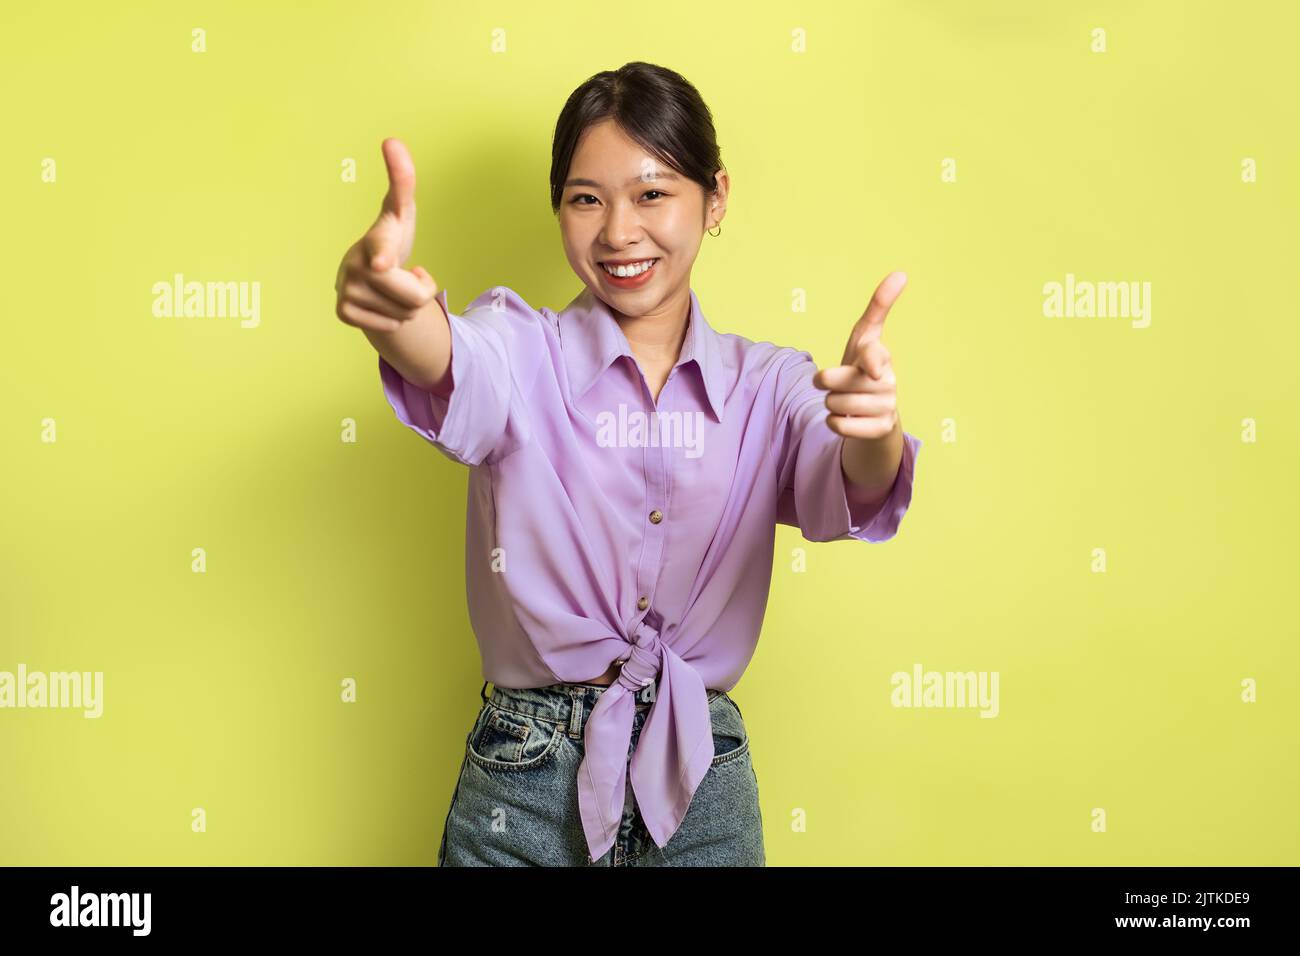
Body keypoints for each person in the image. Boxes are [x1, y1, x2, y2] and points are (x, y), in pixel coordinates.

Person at [333, 61, 922, 866]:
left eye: (652, 194)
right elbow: (449, 359)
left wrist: (873, 426)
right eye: (586, 198)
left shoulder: (769, 385)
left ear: (714, 199)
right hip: (523, 776)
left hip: (700, 778)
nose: (617, 231)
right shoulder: (520, 346)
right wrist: (391, 315)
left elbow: (851, 484)